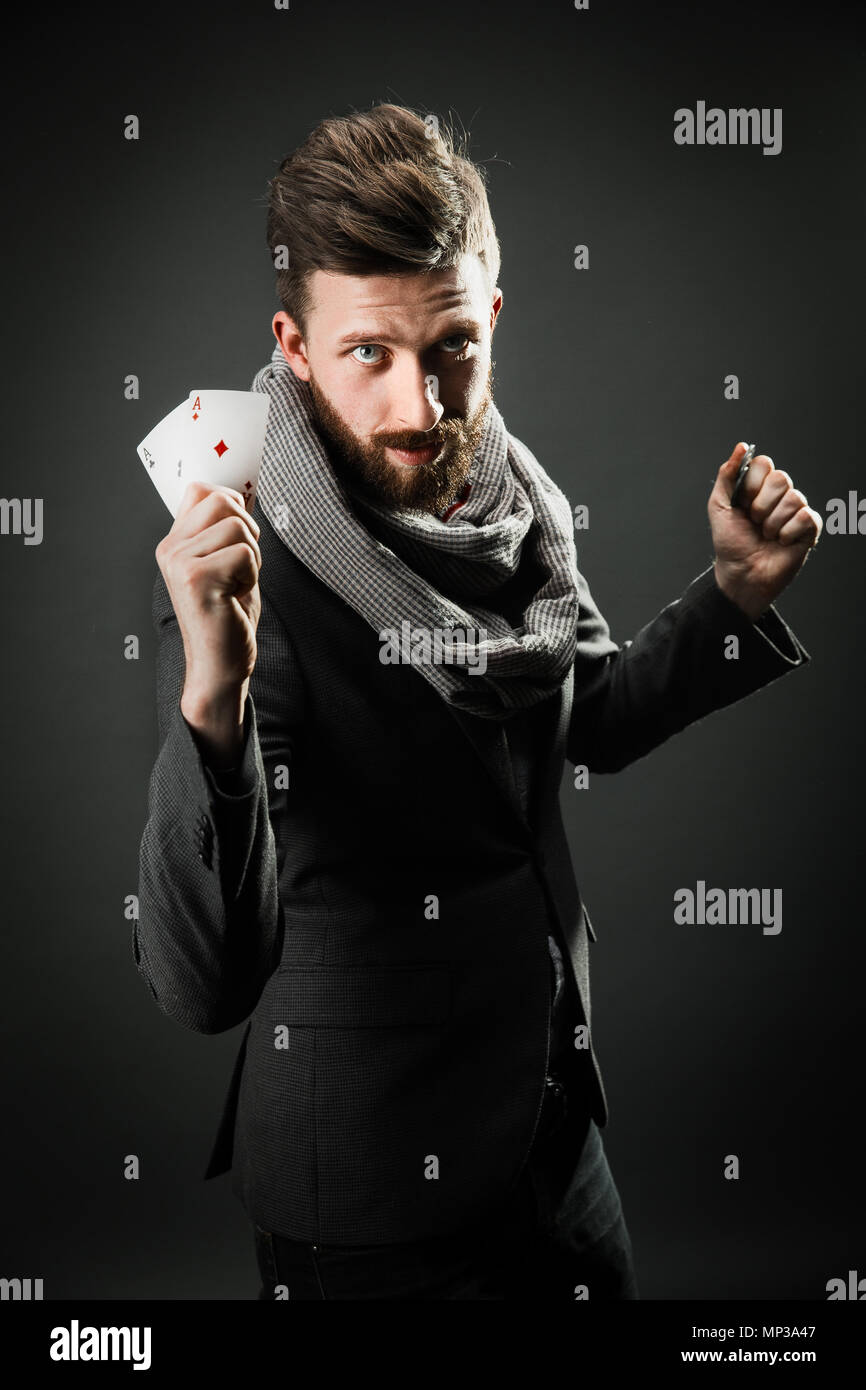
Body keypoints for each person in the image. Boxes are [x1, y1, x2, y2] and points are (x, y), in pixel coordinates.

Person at [134, 103, 819, 1301]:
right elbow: (204, 984)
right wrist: (212, 699)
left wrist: (729, 600)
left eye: (450, 344)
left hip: (555, 1134)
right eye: (368, 355)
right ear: (293, 348)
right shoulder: (246, 571)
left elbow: (582, 715)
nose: (420, 408)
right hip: (371, 1188)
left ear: (490, 315)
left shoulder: (511, 499)